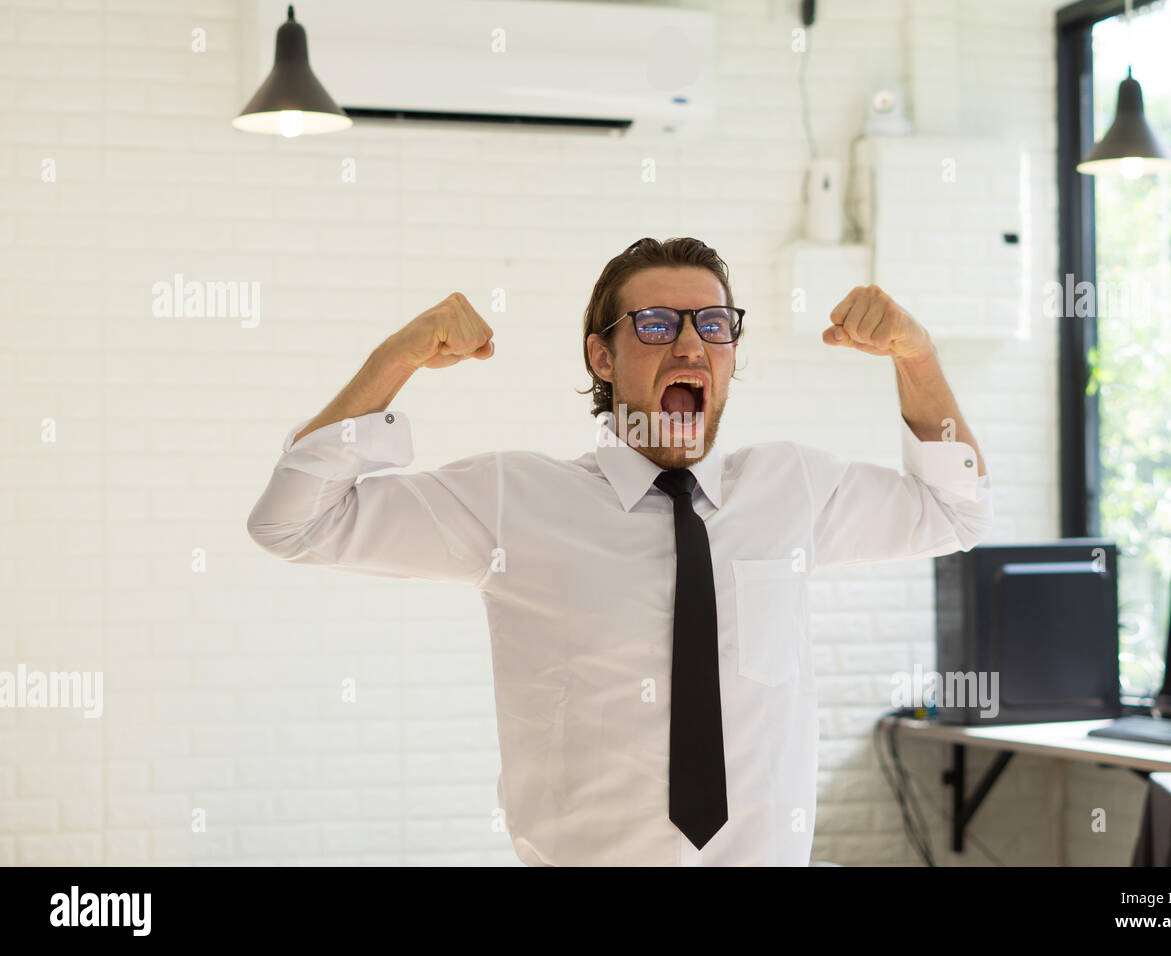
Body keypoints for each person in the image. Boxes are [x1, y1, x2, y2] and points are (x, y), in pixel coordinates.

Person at [247, 236, 993, 865]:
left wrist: (916, 356)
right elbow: (294, 522)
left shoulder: (789, 489)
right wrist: (395, 359)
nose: (694, 345)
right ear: (601, 359)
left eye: (714, 324)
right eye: (659, 325)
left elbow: (952, 512)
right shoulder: (517, 503)